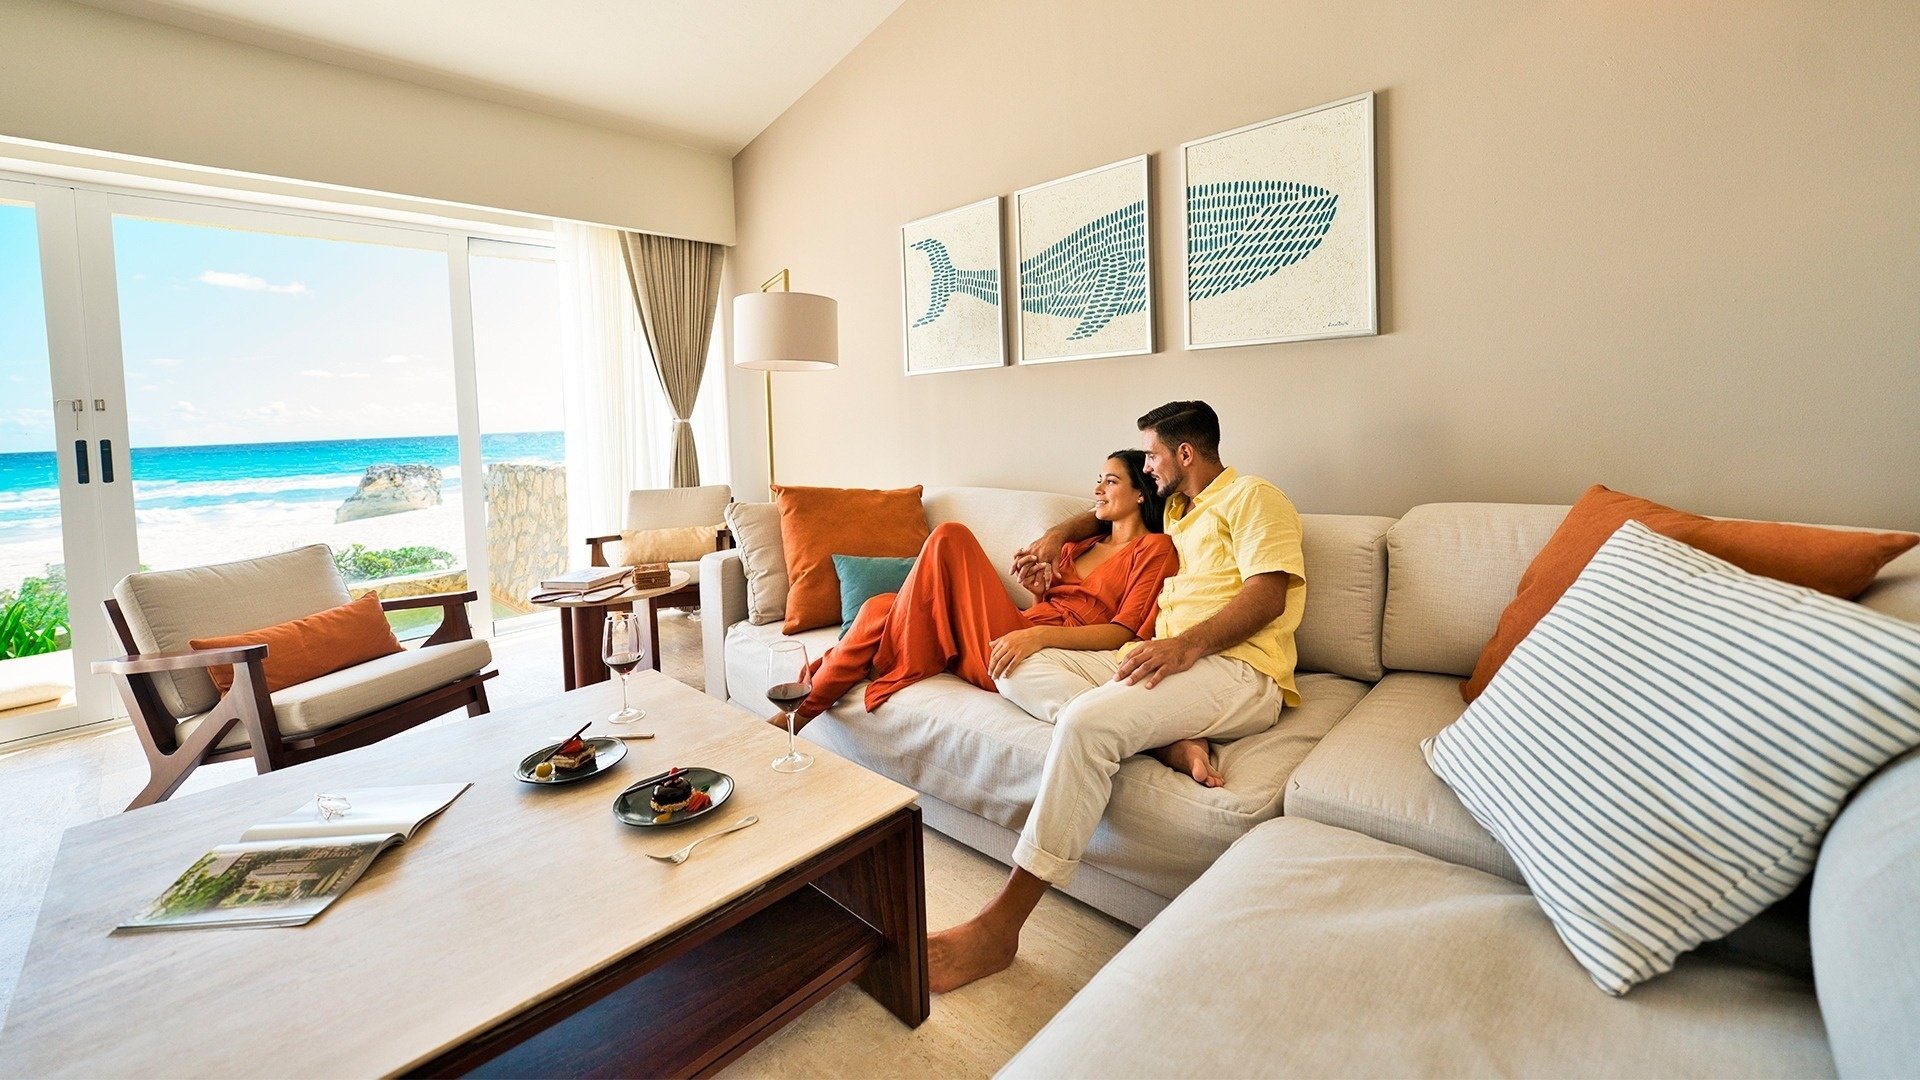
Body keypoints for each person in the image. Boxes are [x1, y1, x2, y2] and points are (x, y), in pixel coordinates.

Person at [928, 400, 1308, 993]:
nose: (1148, 468)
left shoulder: (1255, 497)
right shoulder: (1181, 508)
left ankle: (1000, 927)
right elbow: (1107, 513)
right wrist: (1058, 534)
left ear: (1185, 454)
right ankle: (1160, 736)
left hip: (1236, 669)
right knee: (1014, 663)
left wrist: (1185, 647)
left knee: (1084, 725)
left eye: (1153, 455)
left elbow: (1268, 596)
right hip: (1164, 659)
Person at [772, 451, 1179, 730]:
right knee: (880, 605)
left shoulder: (1154, 549)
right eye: (1097, 481)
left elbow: (1123, 632)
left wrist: (1037, 635)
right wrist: (1038, 591)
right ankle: (805, 713)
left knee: (950, 536)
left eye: (1110, 482)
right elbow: (1048, 607)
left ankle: (813, 699)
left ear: (1141, 492)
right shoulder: (1081, 544)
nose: (1097, 490)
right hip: (1017, 628)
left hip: (1028, 650)